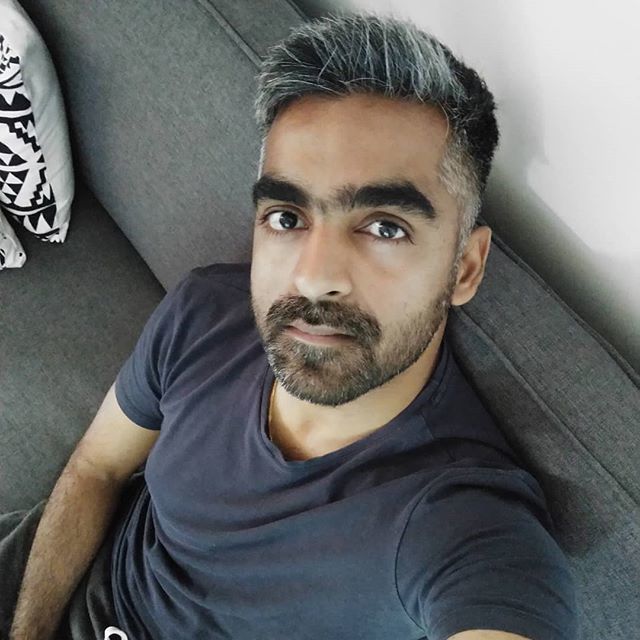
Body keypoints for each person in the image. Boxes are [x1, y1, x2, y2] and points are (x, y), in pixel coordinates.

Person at [3, 10, 578, 640]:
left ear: (464, 269)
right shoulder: (204, 312)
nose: (313, 277)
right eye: (286, 217)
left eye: (385, 227)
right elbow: (97, 468)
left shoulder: (461, 524)